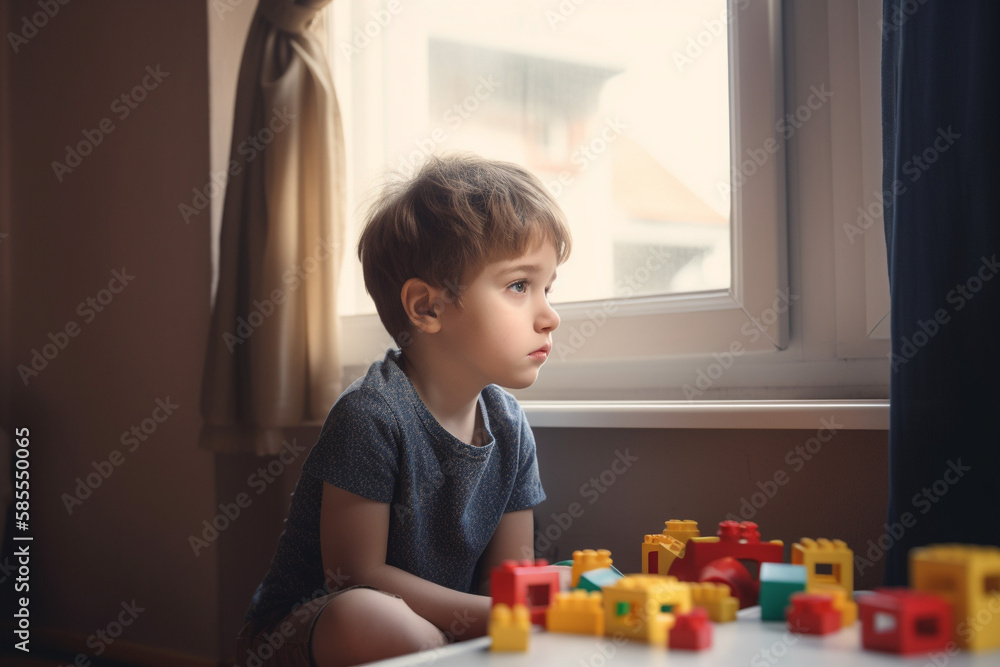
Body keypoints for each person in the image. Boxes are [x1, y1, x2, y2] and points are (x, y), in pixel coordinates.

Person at [235, 153, 572, 667]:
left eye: (548, 287)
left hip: (445, 633)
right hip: (314, 632)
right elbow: (355, 577)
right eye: (519, 286)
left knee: (566, 580)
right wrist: (503, 618)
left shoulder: (509, 426)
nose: (549, 316)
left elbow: (508, 580)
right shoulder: (371, 414)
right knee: (371, 617)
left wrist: (533, 605)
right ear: (427, 307)